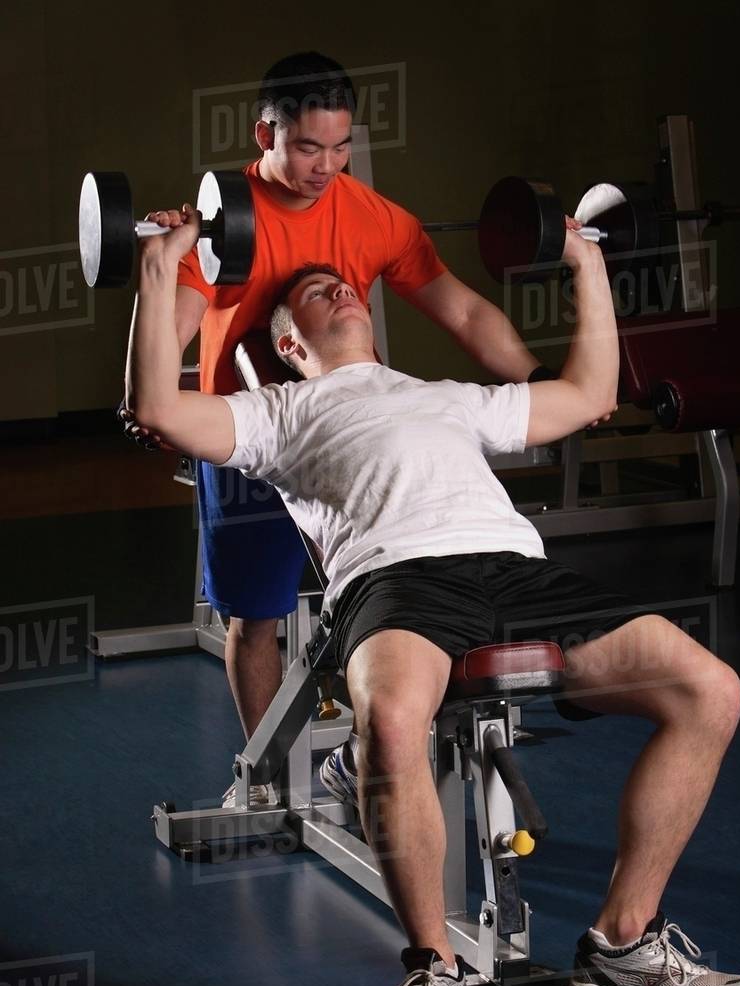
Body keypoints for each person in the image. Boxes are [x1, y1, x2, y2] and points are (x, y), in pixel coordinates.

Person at [125, 206, 740, 986]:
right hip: (396, 583)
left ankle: (621, 941)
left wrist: (585, 260)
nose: (338, 288)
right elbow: (154, 406)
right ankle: (432, 972)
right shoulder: (275, 412)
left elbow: (589, 395)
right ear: (293, 346)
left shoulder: (448, 397)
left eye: (342, 283)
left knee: (711, 691)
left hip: (516, 572)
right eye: (312, 293)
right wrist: (164, 265)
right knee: (388, 723)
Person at [123, 51, 547, 808]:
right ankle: (264, 780)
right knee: (257, 619)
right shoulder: (224, 220)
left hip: (353, 442)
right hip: (247, 436)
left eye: (341, 146)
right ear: (266, 134)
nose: (327, 165)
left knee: (385, 597)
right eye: (309, 147)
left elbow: (464, 310)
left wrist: (535, 378)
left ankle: (368, 755)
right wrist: (153, 395)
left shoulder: (376, 218)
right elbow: (180, 327)